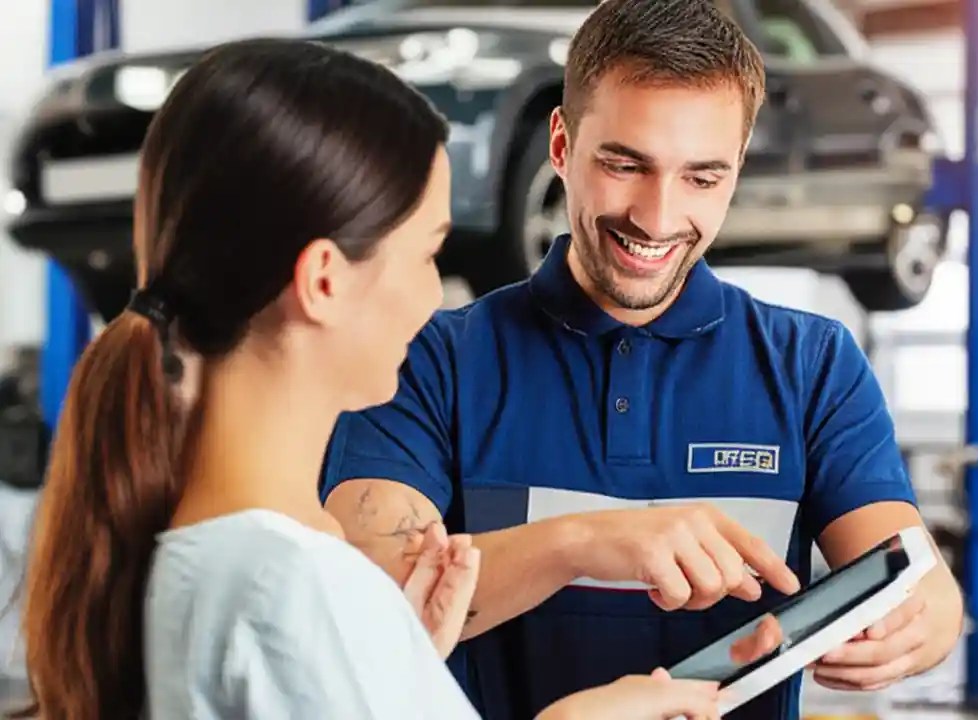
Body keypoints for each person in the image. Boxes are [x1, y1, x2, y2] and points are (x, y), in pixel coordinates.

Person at [14, 38, 734, 720]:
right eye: (428, 253)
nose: (434, 295)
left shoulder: (210, 559)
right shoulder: (293, 588)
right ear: (324, 280)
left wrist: (396, 664)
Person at [320, 1, 966, 719]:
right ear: (560, 146)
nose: (657, 219)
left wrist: (920, 623)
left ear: (737, 169)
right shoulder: (430, 362)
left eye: (702, 177)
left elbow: (913, 577)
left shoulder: (812, 366)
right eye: (626, 165)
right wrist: (584, 542)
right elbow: (374, 609)